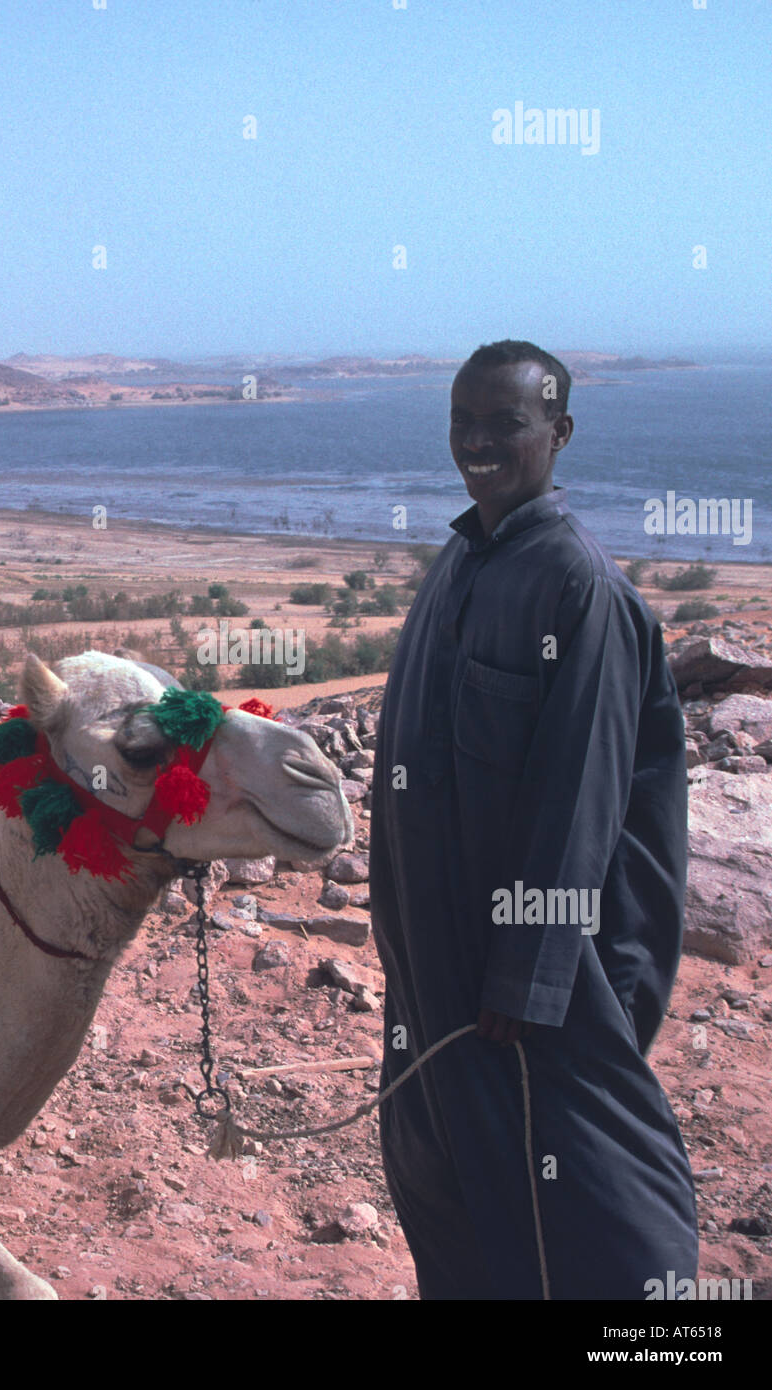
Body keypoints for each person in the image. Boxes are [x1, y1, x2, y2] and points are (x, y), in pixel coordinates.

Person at [368, 340, 698, 1299]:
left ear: (556, 433)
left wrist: (528, 969)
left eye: (503, 423)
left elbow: (580, 792)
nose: (477, 442)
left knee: (599, 1215)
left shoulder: (576, 587)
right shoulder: (463, 560)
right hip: (433, 965)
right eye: (461, 422)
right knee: (449, 1189)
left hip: (523, 988)